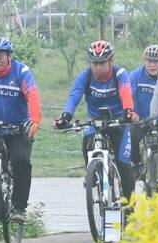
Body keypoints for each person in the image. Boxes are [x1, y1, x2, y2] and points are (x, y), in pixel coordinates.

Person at [53, 39, 138, 201]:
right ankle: (93, 174)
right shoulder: (85, 76)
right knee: (86, 144)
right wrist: (66, 117)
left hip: (118, 121)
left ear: (111, 61)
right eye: (95, 63)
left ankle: (130, 208)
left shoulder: (119, 74)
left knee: (124, 164)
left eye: (102, 63)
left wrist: (128, 111)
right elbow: (74, 96)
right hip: (95, 121)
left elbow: (126, 92)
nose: (98, 68)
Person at [0, 35, 41, 224]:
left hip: (18, 129)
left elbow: (33, 96)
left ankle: (19, 207)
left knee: (21, 161)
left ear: (9, 56)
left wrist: (34, 119)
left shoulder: (21, 71)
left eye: (0, 55)